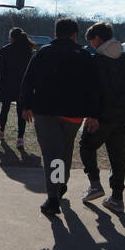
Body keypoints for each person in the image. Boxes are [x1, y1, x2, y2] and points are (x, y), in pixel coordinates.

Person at [18, 18, 100, 217]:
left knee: (52, 154)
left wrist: (25, 105)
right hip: (73, 114)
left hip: (46, 112)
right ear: (74, 35)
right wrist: (93, 113)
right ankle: (61, 183)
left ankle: (53, 197)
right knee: (65, 151)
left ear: (56, 34)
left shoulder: (43, 52)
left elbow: (28, 81)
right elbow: (93, 88)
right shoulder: (83, 55)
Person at [80, 22, 125, 212]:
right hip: (124, 116)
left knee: (86, 146)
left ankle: (95, 183)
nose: (91, 44)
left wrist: (92, 115)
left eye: (91, 40)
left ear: (97, 39)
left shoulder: (97, 60)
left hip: (103, 116)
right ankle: (117, 197)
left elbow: (93, 91)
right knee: (118, 156)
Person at [0, 27, 36, 149]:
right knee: (21, 112)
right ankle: (20, 138)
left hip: (7, 84)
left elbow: (0, 69)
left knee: (5, 108)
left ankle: (2, 130)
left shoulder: (6, 50)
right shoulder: (29, 51)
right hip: (23, 86)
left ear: (12, 38)